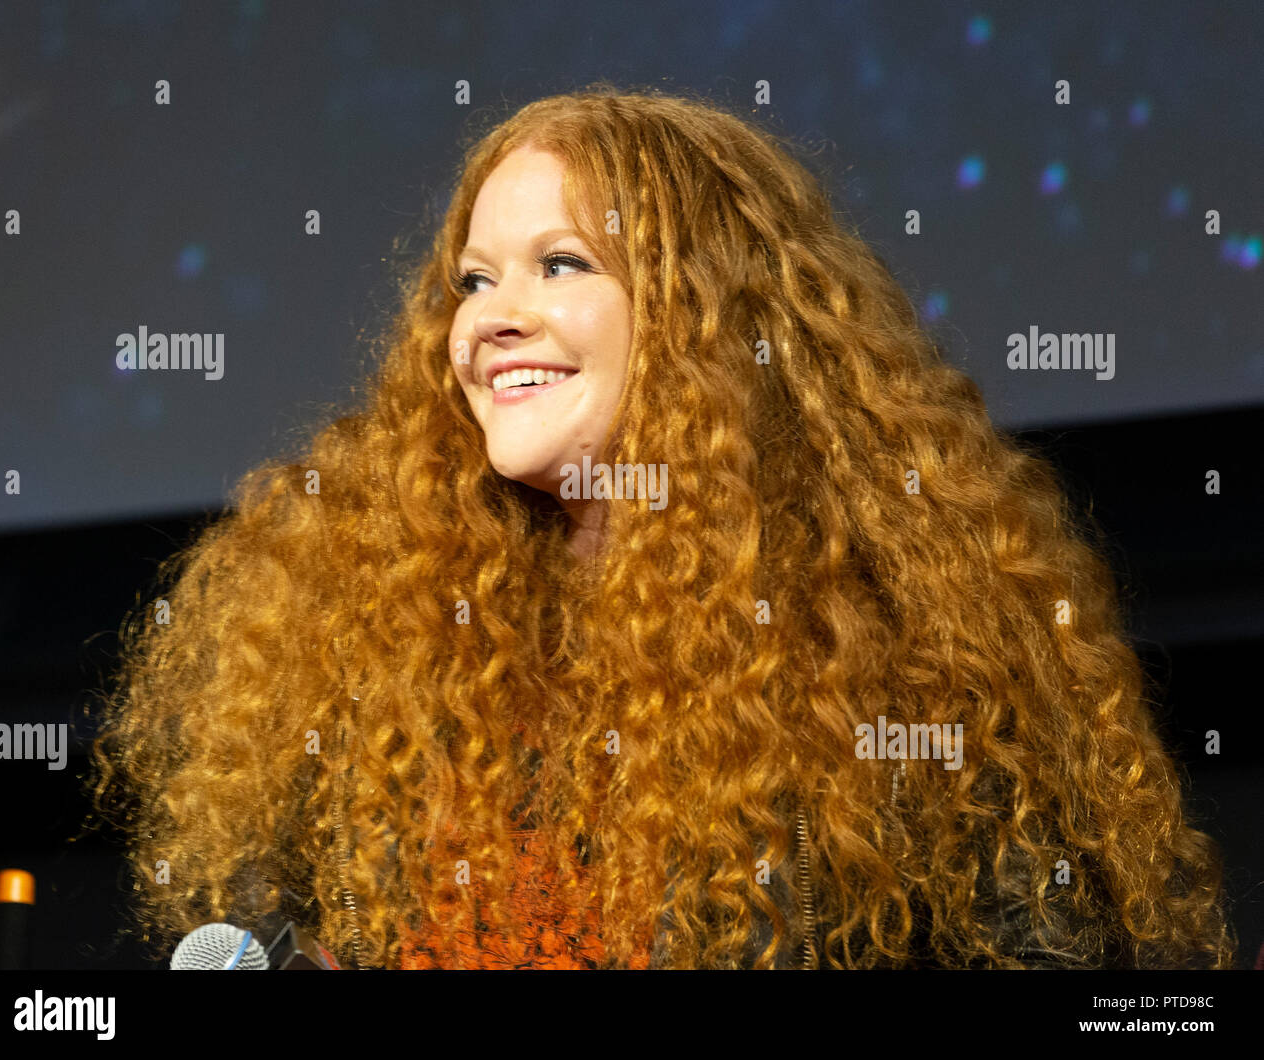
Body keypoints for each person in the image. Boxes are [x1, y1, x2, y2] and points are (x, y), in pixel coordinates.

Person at [91, 86, 1234, 970]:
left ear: (706, 316)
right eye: (472, 280)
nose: (491, 321)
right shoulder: (358, 651)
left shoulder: (911, 678)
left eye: (560, 264)